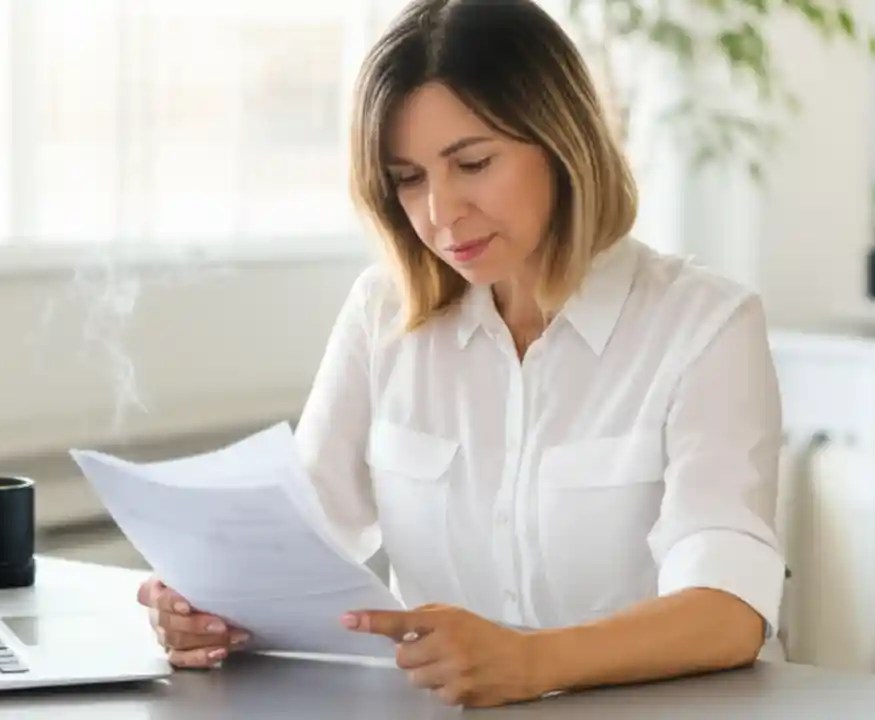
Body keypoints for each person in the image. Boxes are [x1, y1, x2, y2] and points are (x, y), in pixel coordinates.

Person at [137, 0, 785, 708]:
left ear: (561, 142)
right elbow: (297, 548)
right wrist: (209, 610)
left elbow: (728, 612)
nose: (441, 213)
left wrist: (533, 662)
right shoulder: (383, 314)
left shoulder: (706, 325)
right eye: (408, 179)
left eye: (472, 163)